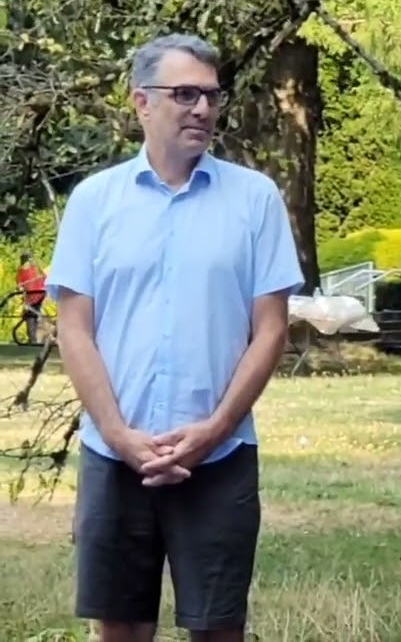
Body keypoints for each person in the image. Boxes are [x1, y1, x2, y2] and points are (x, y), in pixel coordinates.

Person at [46, 33, 304, 642]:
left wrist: (212, 430)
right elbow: (75, 329)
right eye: (184, 94)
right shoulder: (94, 201)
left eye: (211, 96)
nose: (203, 109)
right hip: (116, 457)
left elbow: (270, 331)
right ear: (141, 102)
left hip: (218, 458)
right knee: (120, 629)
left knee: (218, 630)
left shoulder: (255, 199)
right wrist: (118, 434)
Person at [15, 251, 46, 344]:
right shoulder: (24, 270)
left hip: (36, 296)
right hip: (34, 296)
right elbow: (20, 285)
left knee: (31, 316)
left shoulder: (33, 269)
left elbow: (44, 278)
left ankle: (34, 339)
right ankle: (34, 339)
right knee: (33, 315)